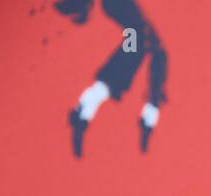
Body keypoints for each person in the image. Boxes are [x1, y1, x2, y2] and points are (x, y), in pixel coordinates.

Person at [57, 0, 168, 157]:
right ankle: (83, 111)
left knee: (149, 52)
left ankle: (148, 116)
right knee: (134, 52)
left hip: (134, 31)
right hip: (130, 27)